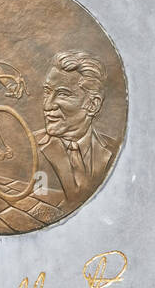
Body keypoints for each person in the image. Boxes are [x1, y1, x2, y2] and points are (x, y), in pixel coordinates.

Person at [35, 50, 121, 211]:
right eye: (47, 92)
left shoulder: (112, 149)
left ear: (92, 105)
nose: (47, 106)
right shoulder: (24, 148)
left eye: (63, 94)